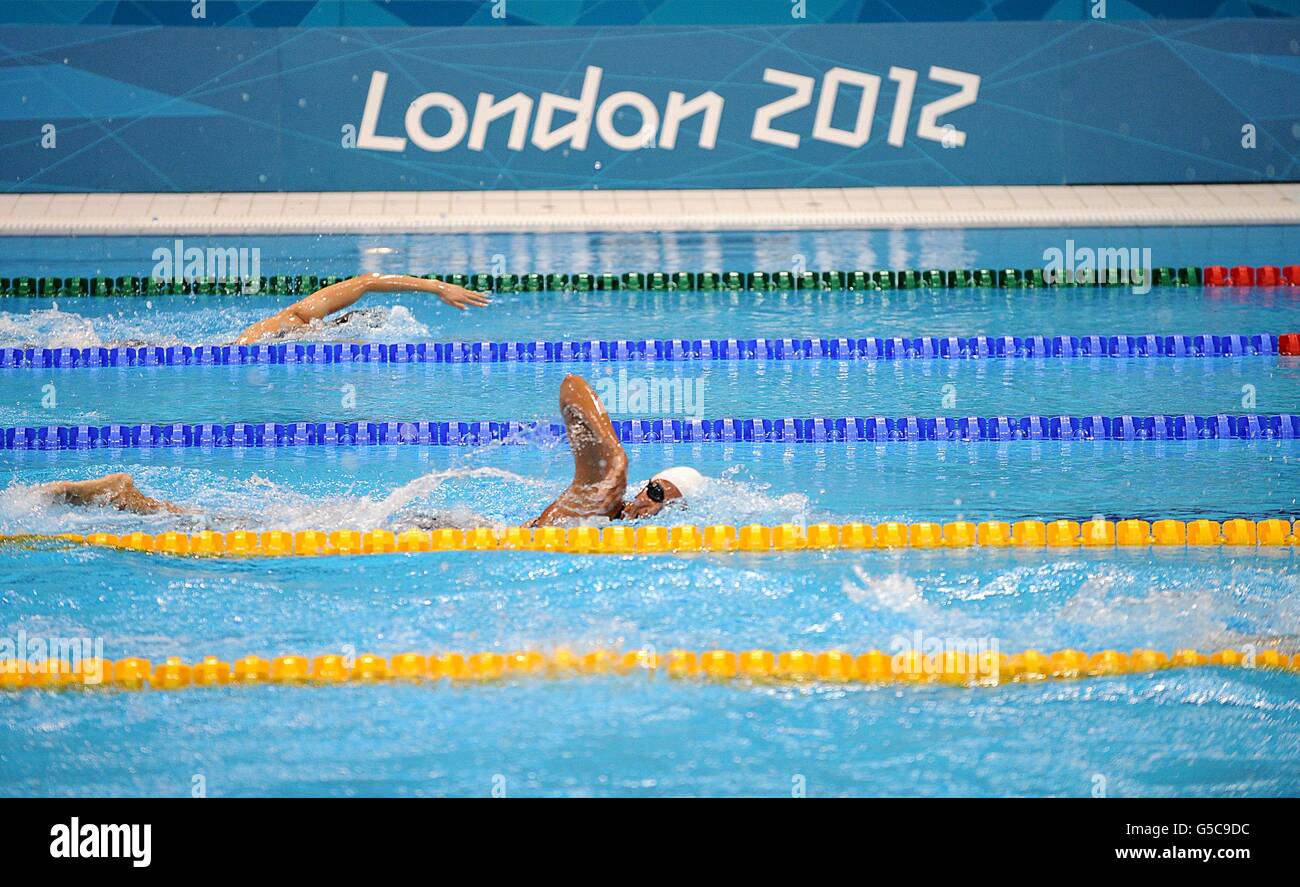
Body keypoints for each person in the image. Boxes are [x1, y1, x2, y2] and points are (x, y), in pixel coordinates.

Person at [31, 377, 706, 525]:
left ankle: (136, 501)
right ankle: (132, 501)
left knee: (256, 526)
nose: (647, 502)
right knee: (256, 530)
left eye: (659, 501)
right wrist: (610, 451)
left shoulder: (609, 522)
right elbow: (572, 388)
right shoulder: (606, 488)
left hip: (454, 532)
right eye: (655, 488)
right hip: (455, 534)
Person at [234, 273, 490, 344]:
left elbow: (366, 282)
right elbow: (366, 281)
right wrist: (438, 287)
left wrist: (437, 288)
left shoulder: (305, 324)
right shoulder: (303, 316)